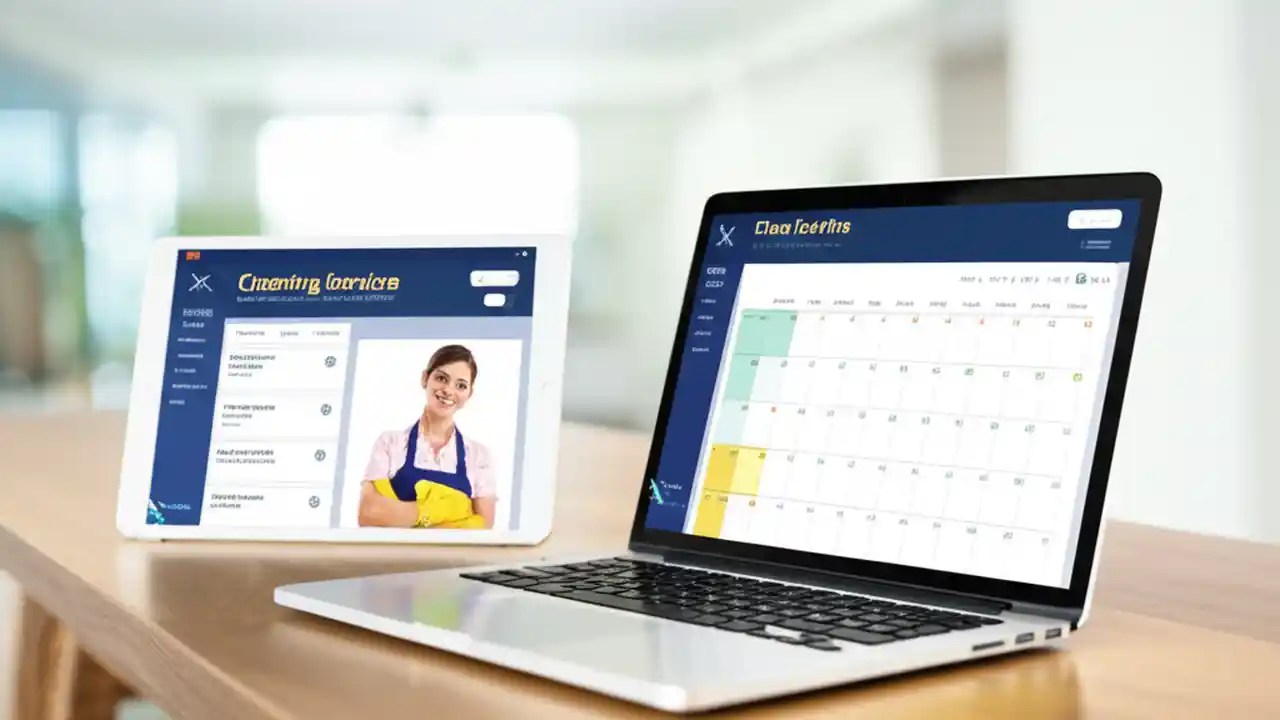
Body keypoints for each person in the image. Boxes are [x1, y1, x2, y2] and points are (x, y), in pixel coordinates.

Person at [358, 344, 497, 529]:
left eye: (461, 385)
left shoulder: (478, 455)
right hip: (393, 559)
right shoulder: (390, 443)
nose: (448, 390)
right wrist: (444, 511)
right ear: (425, 379)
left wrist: (400, 517)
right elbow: (369, 515)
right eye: (441, 378)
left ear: (469, 393)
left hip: (451, 559)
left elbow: (483, 529)